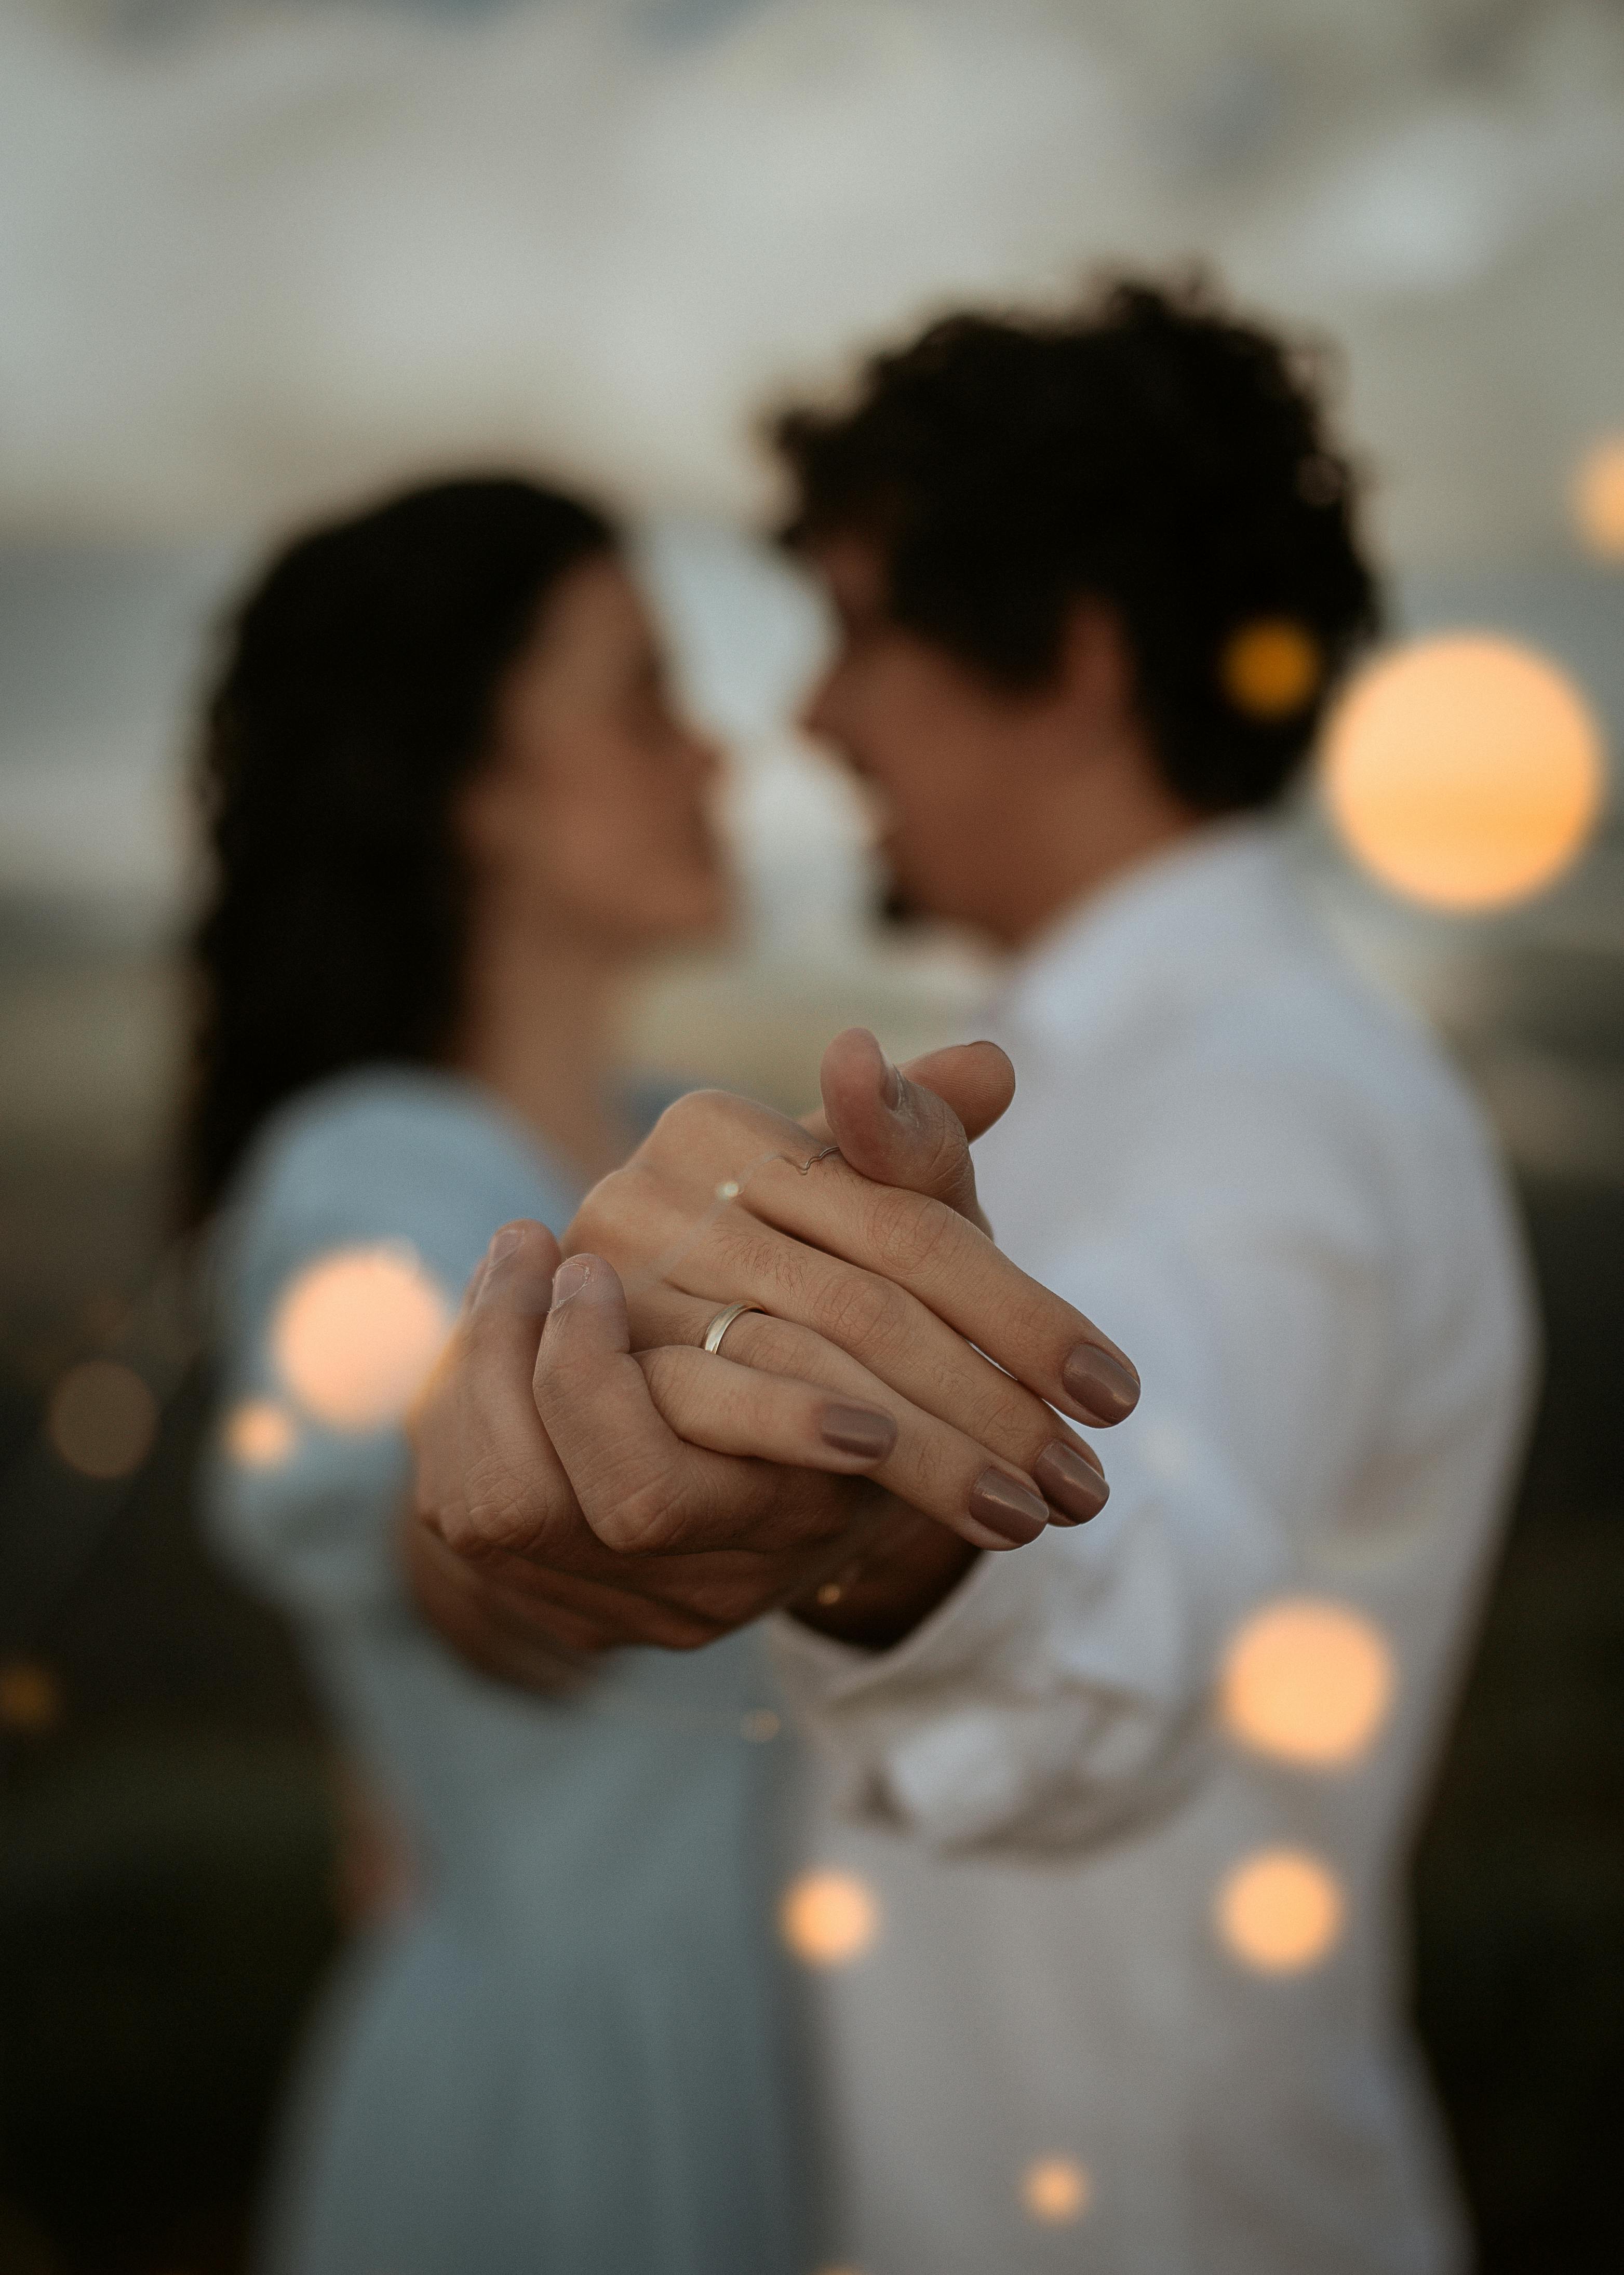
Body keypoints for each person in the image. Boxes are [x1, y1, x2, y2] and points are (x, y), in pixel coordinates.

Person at [409, 280, 1537, 2275]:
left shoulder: (1277, 1106)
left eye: (862, 626)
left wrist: (903, 1540)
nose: (815, 715)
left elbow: (1156, 1570)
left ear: (1076, 664)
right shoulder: (1091, 1067)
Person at [191, 476, 1124, 2275]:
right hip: (551, 2134)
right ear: (471, 789)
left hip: (764, 2076)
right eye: (642, 702)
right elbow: (461, 1524)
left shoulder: (653, 1155)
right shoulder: (366, 1175)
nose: (715, 758)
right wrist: (577, 1538)